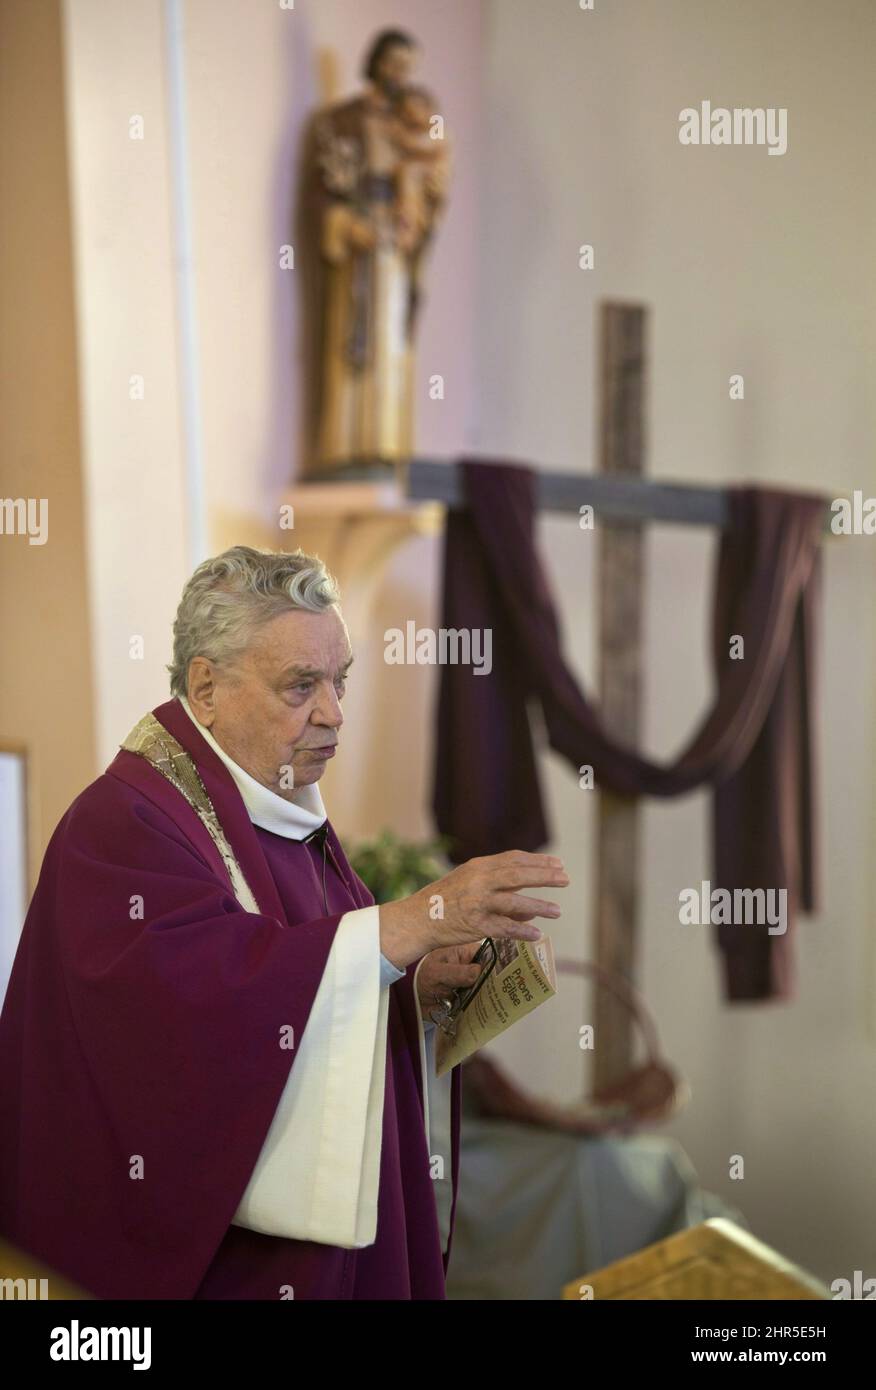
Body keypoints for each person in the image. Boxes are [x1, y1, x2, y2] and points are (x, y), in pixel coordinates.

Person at [0, 545, 568, 1300]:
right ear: (206, 687)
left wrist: (410, 987)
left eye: (340, 681)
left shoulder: (286, 816)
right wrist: (404, 924)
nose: (333, 713)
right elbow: (180, 1016)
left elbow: (302, 980)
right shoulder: (125, 821)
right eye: (301, 685)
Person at [300, 29, 450, 473]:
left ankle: (386, 448)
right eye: (393, 63)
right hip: (360, 244)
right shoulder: (342, 121)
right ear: (376, 63)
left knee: (392, 341)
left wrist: (419, 211)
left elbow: (433, 175)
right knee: (355, 340)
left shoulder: (411, 124)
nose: (400, 75)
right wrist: (346, 224)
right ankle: (347, 450)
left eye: (408, 67)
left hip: (396, 244)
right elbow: (319, 195)